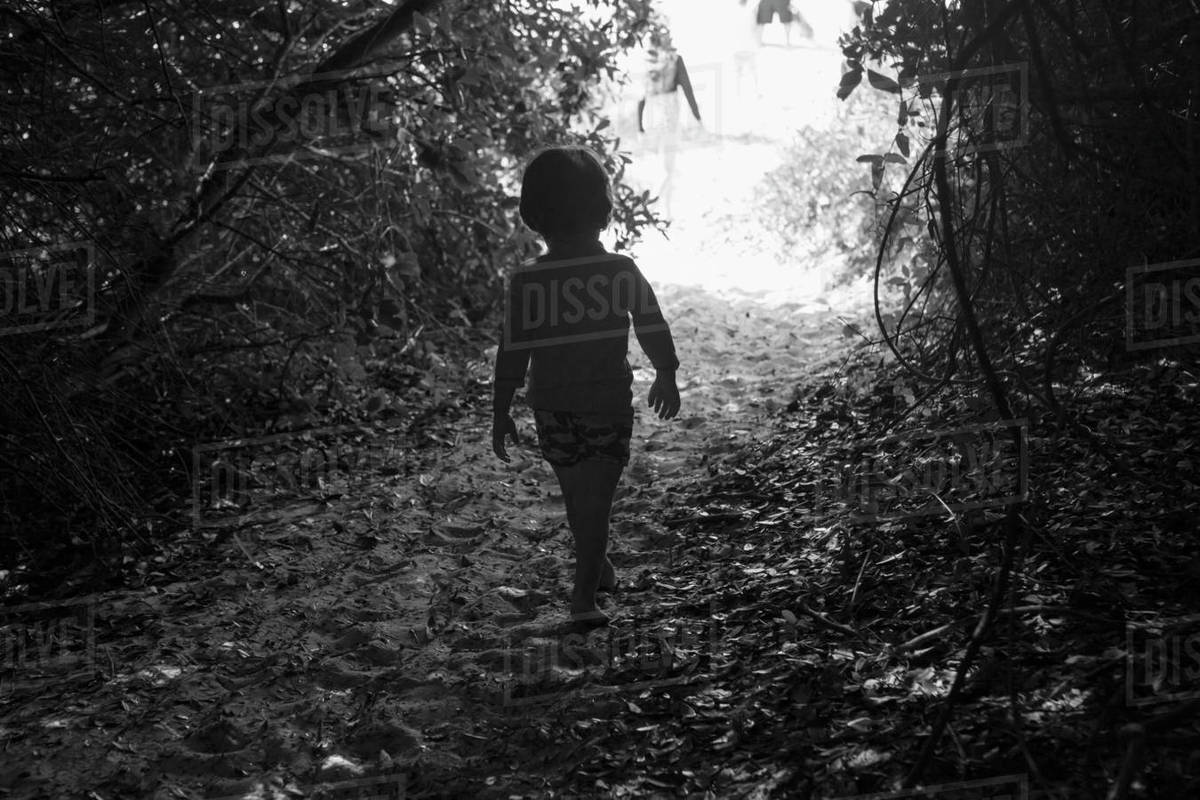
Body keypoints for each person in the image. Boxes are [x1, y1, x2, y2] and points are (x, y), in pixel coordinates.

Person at [492, 146, 682, 627]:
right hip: (605, 406)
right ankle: (584, 598)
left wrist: (500, 410)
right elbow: (651, 323)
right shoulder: (619, 271)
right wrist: (665, 372)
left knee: (580, 499)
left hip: (551, 409)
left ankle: (597, 572)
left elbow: (512, 353)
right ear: (603, 209)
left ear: (534, 215)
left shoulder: (528, 282)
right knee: (594, 501)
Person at [635, 28, 702, 217]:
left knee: (655, 164)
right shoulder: (675, 59)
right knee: (668, 166)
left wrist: (639, 126)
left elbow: (641, 95)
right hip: (669, 114)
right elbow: (687, 88)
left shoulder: (647, 61)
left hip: (650, 115)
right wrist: (697, 117)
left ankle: (652, 207)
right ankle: (664, 209)